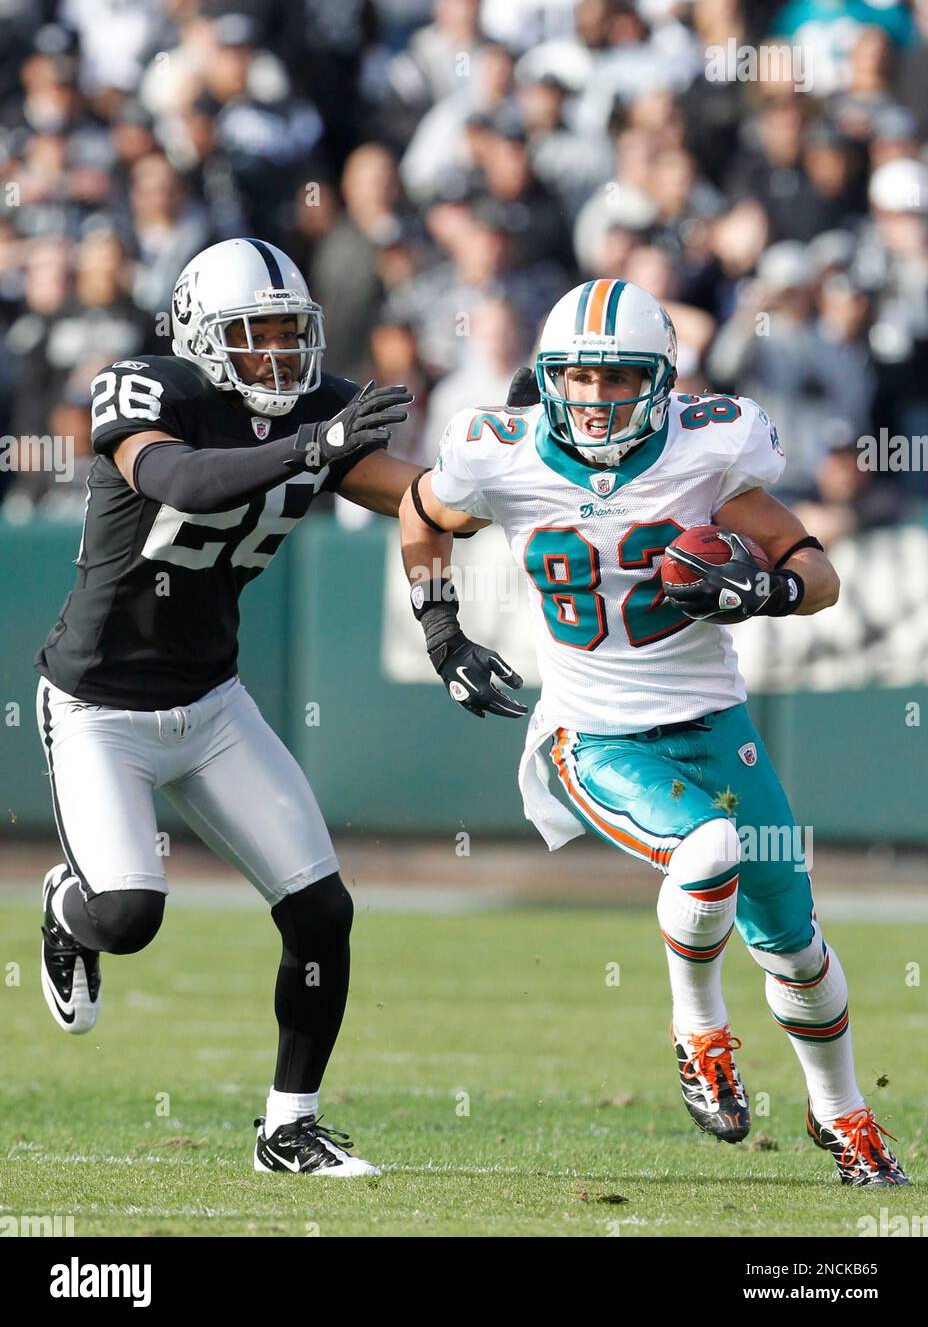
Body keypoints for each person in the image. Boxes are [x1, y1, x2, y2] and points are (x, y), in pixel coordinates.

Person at [399, 277, 908, 1187]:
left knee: (796, 940)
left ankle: (845, 1120)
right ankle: (699, 1033)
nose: (596, 401)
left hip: (715, 726)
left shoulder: (708, 449)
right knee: (708, 848)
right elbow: (422, 514)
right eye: (578, 379)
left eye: (619, 378)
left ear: (663, 380)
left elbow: (815, 571)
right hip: (593, 733)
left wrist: (769, 590)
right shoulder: (500, 453)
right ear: (547, 377)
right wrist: (443, 634)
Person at [36, 236, 420, 1176]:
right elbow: (176, 480)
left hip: (212, 704)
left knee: (323, 911)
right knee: (129, 916)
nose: (282, 358)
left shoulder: (318, 412)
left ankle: (289, 1128)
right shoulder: (145, 387)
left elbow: (421, 499)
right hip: (99, 708)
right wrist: (310, 446)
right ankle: (68, 911)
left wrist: (518, 480)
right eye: (257, 338)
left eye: (295, 336)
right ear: (204, 338)